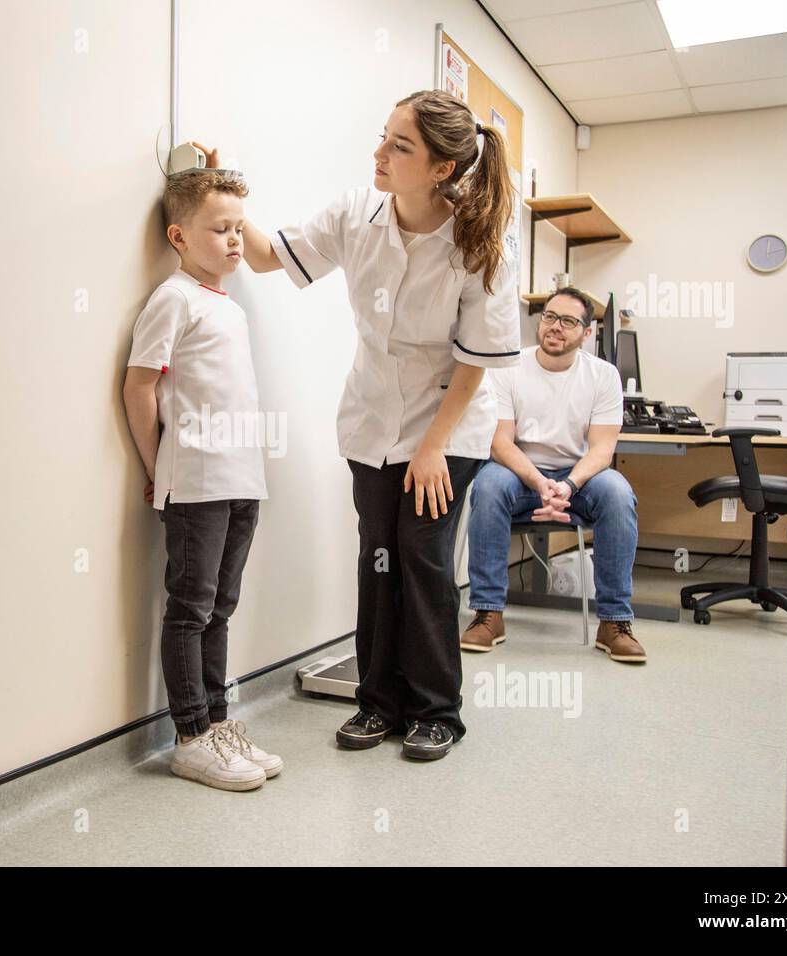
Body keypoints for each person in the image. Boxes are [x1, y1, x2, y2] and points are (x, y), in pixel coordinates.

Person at [200, 88, 521, 760]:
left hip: (449, 425)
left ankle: (437, 711)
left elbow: (475, 361)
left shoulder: (478, 241)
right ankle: (379, 703)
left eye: (399, 145)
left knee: (424, 559)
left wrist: (433, 447)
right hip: (373, 420)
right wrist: (221, 188)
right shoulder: (357, 212)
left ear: (440, 168)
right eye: (384, 136)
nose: (378, 153)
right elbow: (267, 258)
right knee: (377, 558)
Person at [122, 169, 284, 791]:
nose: (236, 241)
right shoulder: (174, 297)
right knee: (190, 609)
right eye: (221, 229)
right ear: (179, 235)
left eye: (239, 228)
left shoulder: (227, 305)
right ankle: (190, 737)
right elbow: (139, 384)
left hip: (242, 478)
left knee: (221, 606)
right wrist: (152, 465)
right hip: (194, 481)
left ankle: (218, 723)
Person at [463, 287, 646, 663]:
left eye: (568, 321)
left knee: (617, 493)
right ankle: (488, 613)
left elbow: (602, 449)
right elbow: (500, 442)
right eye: (549, 316)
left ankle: (613, 622)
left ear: (586, 332)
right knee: (488, 484)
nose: (555, 327)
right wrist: (538, 482)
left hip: (577, 479)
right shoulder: (508, 368)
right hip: (519, 471)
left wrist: (567, 485)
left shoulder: (603, 375)